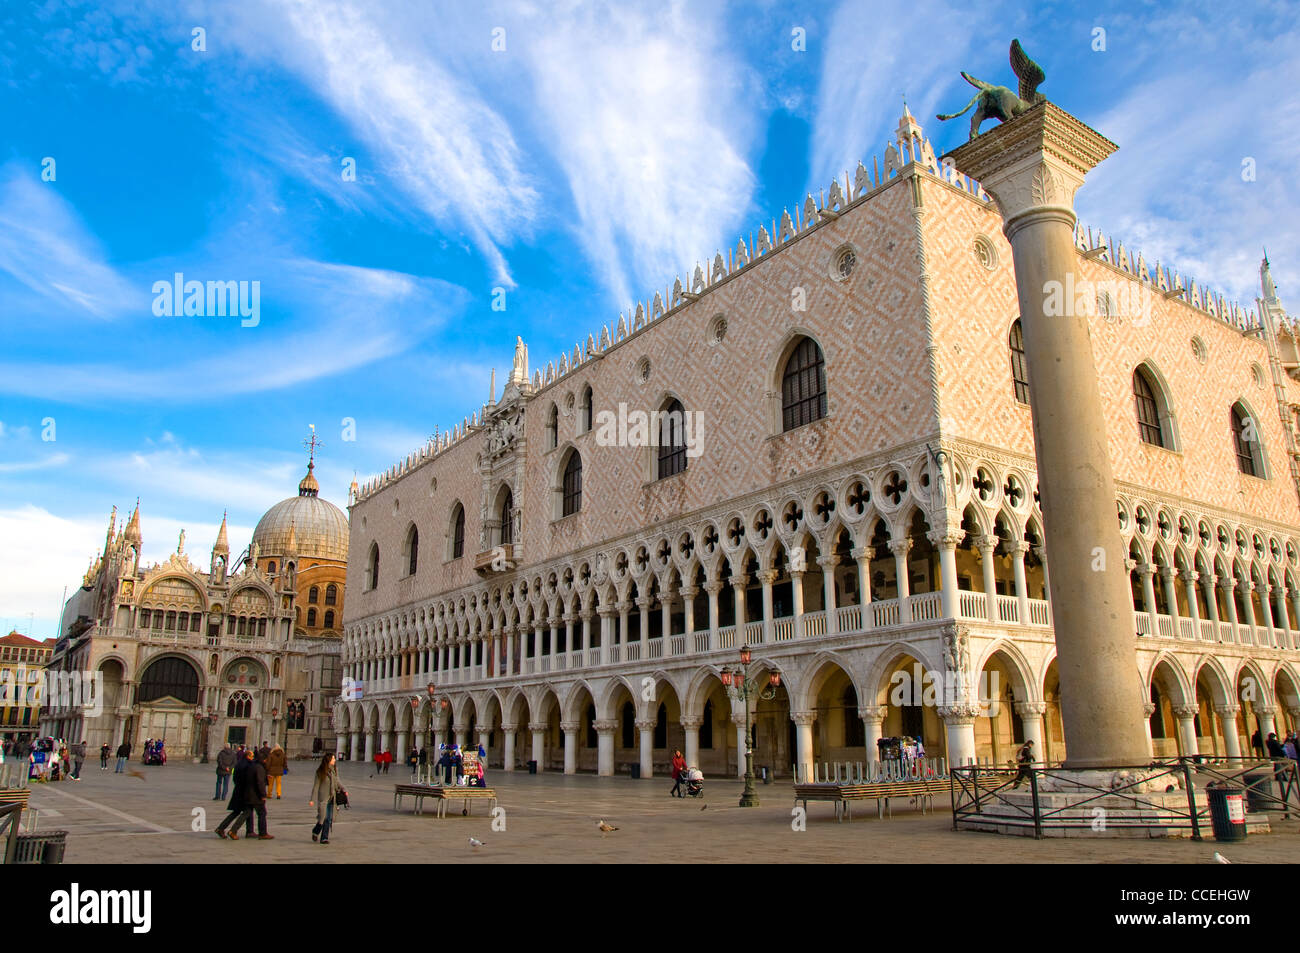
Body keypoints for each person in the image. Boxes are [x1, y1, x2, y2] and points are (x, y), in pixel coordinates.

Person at [215, 749, 254, 840]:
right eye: (252, 756)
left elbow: (235, 779)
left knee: (236, 812)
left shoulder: (239, 764)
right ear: (248, 756)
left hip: (237, 791)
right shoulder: (248, 766)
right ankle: (233, 830)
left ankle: (220, 828)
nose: (253, 758)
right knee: (247, 811)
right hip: (245, 792)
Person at [309, 752, 343, 845]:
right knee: (322, 818)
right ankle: (316, 831)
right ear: (329, 760)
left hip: (332, 797)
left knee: (328, 818)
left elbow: (337, 781)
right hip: (323, 798)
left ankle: (324, 837)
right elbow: (316, 786)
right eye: (333, 759)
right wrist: (312, 799)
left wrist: (344, 789)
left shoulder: (335, 770)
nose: (335, 760)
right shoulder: (320, 772)